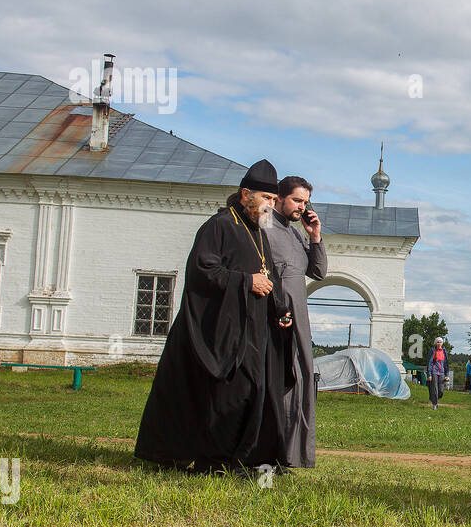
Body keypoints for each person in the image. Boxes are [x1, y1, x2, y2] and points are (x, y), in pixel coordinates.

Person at [133, 160, 296, 474]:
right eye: (266, 198)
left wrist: (280, 310)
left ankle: (239, 458)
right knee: (225, 396)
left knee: (253, 392)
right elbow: (203, 271)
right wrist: (246, 282)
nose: (270, 206)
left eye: (274, 201)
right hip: (219, 332)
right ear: (245, 193)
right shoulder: (219, 225)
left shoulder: (259, 233)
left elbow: (268, 276)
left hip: (252, 332)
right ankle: (210, 461)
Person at [264, 175, 328, 468]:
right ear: (279, 197)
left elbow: (318, 271)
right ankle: (268, 452)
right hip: (274, 319)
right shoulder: (263, 228)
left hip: (298, 320)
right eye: (297, 200)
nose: (302, 207)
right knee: (278, 383)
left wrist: (315, 236)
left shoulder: (297, 233)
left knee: (300, 382)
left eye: (305, 202)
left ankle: (290, 456)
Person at [427, 338, 448, 409]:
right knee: (434, 388)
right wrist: (429, 374)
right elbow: (429, 363)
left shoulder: (444, 351)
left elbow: (446, 363)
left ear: (442, 343)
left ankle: (434, 398)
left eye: (440, 342)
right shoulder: (433, 350)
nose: (439, 343)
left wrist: (447, 375)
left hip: (442, 372)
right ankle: (434, 404)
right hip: (434, 372)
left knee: (441, 390)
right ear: (435, 343)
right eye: (437, 342)